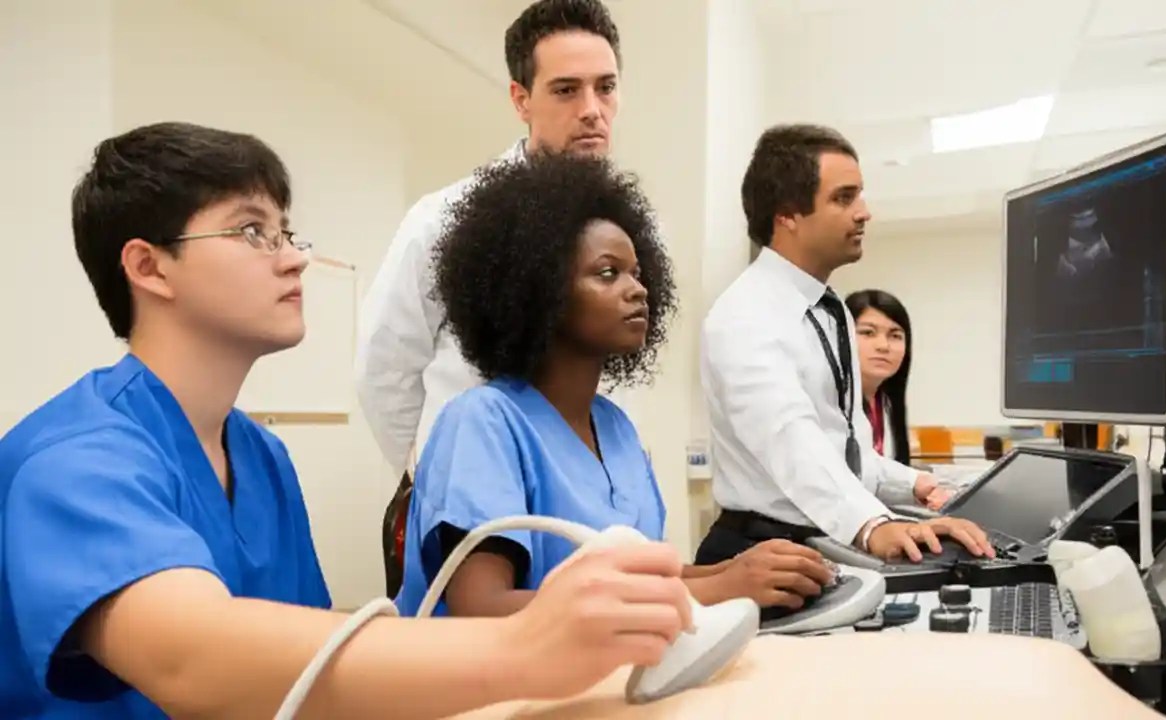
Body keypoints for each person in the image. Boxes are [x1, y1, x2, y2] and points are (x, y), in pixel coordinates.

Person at [0, 122, 695, 719]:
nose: (297, 257)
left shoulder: (261, 456)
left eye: (288, 232)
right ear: (149, 267)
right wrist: (525, 644)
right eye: (253, 232)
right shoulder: (74, 459)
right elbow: (190, 658)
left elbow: (314, 657)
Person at [395, 152, 835, 620]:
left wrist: (737, 569)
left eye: (637, 274)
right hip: (498, 690)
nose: (637, 289)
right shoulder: (482, 423)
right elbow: (483, 607)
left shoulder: (616, 428)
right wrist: (718, 589)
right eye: (608, 273)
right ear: (539, 290)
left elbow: (640, 581)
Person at [697, 124, 994, 567]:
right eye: (844, 198)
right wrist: (873, 525)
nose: (864, 212)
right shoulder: (745, 316)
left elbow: (845, 449)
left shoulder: (826, 306)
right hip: (764, 554)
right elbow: (790, 440)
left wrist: (916, 485)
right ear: (788, 216)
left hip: (820, 536)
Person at [356, 0, 630, 475]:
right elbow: (384, 371)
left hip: (590, 500)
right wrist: (435, 478)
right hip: (477, 504)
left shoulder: (628, 229)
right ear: (521, 99)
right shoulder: (445, 219)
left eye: (605, 88)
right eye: (566, 90)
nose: (592, 110)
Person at [845, 289, 952, 510]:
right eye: (867, 333)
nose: (883, 346)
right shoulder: (829, 400)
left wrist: (926, 490)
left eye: (895, 335)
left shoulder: (886, 403)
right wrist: (914, 483)